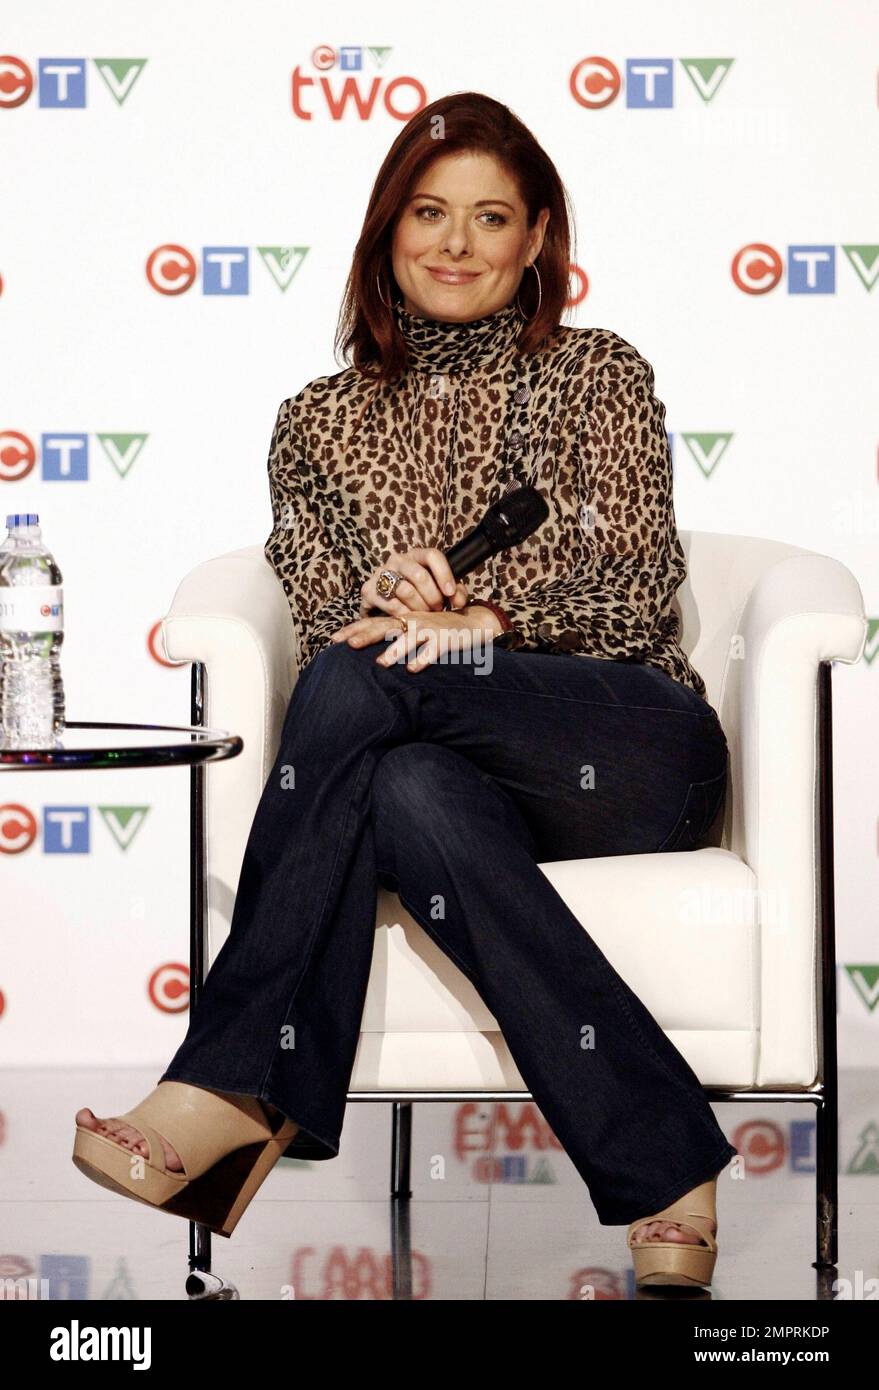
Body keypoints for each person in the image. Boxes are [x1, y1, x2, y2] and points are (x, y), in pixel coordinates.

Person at [73, 91, 737, 1289]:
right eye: (429, 212)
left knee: (380, 684)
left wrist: (486, 620)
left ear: (538, 240)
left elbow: (643, 584)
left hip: (625, 742)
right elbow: (331, 642)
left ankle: (231, 1081)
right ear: (387, 231)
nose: (456, 243)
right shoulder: (316, 427)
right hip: (441, 760)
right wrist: (381, 607)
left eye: (492, 218)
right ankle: (666, 1169)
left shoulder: (597, 374)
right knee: (409, 784)